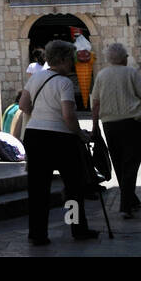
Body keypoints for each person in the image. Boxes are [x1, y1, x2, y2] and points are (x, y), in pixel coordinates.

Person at [19, 38, 98, 245]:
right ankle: (76, 229)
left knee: (38, 188)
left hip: (35, 135)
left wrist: (41, 116)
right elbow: (68, 116)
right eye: (70, 59)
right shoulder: (64, 83)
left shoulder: (35, 78)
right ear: (62, 59)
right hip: (61, 138)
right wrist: (81, 134)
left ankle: (37, 234)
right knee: (73, 187)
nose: (72, 64)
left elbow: (23, 105)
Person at [90, 42, 141, 218]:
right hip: (131, 122)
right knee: (131, 162)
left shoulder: (101, 75)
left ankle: (132, 200)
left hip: (109, 124)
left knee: (118, 162)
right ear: (123, 58)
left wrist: (94, 127)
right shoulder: (131, 72)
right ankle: (125, 206)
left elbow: (95, 103)